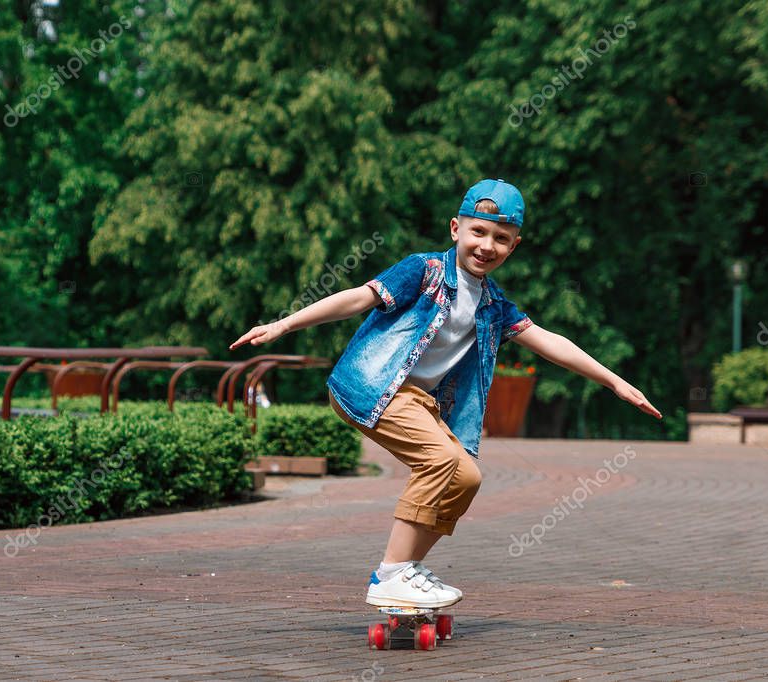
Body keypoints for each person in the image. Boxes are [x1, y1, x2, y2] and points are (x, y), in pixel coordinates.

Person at [229, 178, 661, 608]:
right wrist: (284, 324)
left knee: (467, 477)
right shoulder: (423, 270)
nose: (487, 245)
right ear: (456, 228)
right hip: (376, 387)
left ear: (514, 246)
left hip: (419, 402)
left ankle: (405, 569)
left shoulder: (494, 303)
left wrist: (616, 382)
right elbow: (358, 299)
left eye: (501, 239)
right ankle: (391, 574)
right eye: (478, 232)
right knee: (439, 464)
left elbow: (550, 342)